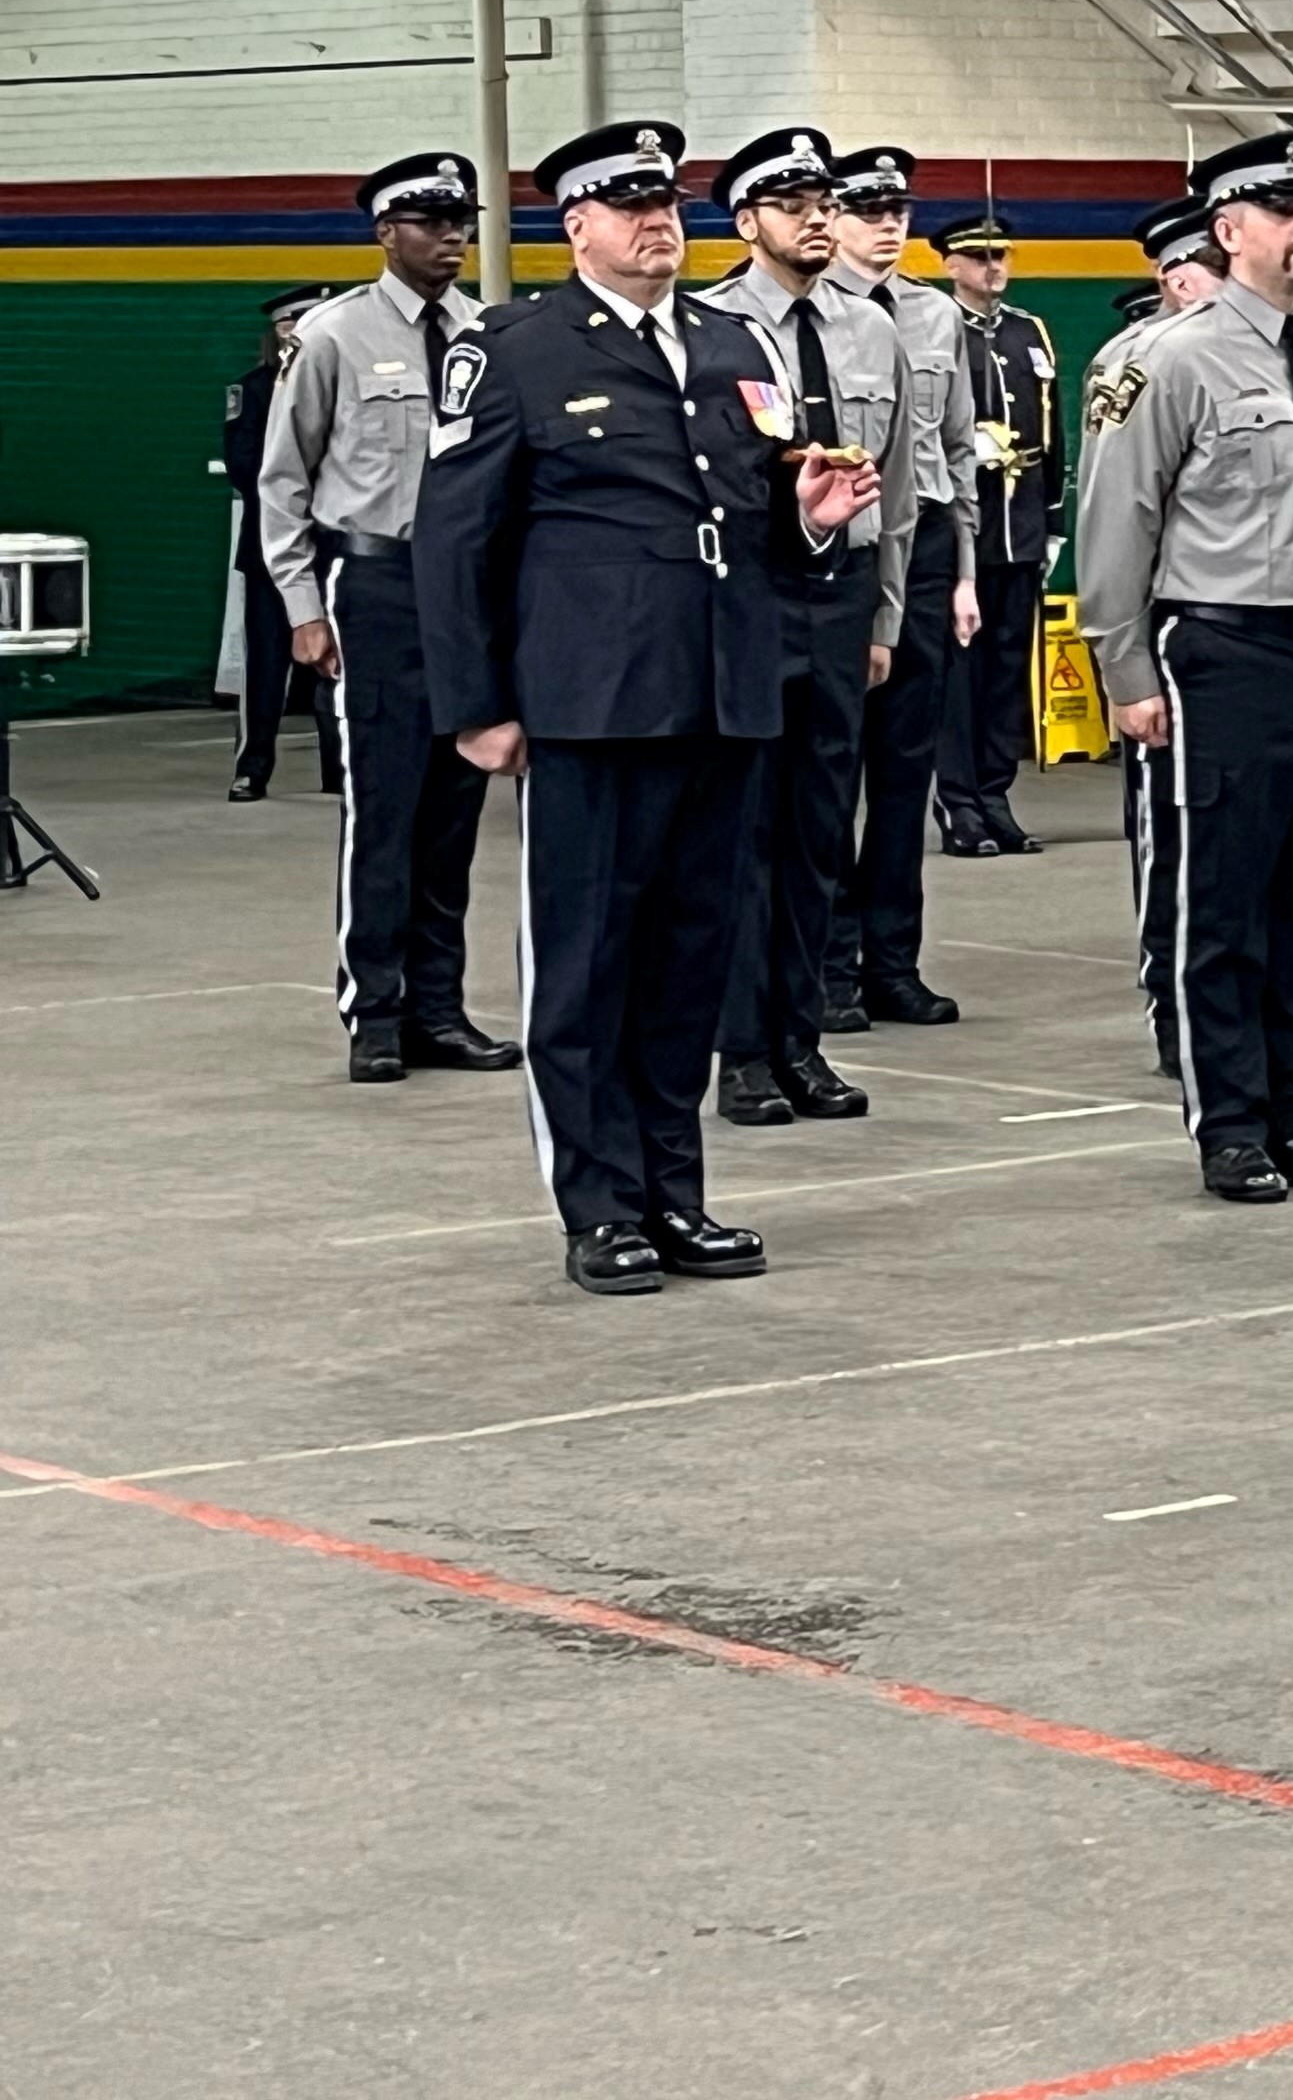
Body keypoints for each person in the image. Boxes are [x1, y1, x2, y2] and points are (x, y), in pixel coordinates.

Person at [416, 119, 877, 1295]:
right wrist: (477, 705)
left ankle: (675, 1193)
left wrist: (814, 521)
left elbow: (762, 526)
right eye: (627, 205)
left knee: (688, 961)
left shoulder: (733, 349)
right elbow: (454, 541)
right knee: (586, 965)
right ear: (577, 228)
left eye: (666, 202)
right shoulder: (514, 351)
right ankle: (598, 1207)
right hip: (592, 707)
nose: (655, 221)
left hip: (724, 697)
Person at [1078, 130, 1293, 1205]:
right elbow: (1116, 523)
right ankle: (1230, 1126)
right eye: (1279, 210)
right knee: (1219, 901)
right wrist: (1125, 671)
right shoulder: (1163, 359)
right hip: (1222, 651)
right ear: (1229, 231)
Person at [252, 154, 513, 1081]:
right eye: (430, 219)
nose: (452, 235)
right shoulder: (334, 337)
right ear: (384, 232)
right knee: (386, 806)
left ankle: (440, 1008)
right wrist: (299, 606)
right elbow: (283, 481)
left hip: (470, 596)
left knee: (455, 809)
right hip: (375, 588)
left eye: (462, 220)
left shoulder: (490, 335)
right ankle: (376, 1008)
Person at [693, 130, 910, 1128]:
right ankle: (741, 1049)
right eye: (791, 203)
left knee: (822, 827)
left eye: (824, 201)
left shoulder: (872, 329)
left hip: (842, 594)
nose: (816, 218)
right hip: (754, 593)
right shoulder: (712, 330)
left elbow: (899, 489)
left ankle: (802, 1040)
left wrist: (884, 614)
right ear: (746, 223)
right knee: (746, 834)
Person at [820, 146, 980, 1030]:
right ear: (833, 219)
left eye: (899, 211)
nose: (889, 225)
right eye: (869, 210)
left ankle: (893, 960)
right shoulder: (818, 315)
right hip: (838, 557)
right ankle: (830, 964)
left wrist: (961, 572)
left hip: (919, 558)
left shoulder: (933, 316)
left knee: (904, 772)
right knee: (831, 770)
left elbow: (956, 454)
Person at [1081, 202, 1227, 1077]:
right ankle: (1177, 1009)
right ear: (1178, 280)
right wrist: (1127, 666)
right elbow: (1115, 527)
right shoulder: (1137, 364)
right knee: (1174, 844)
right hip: (1182, 634)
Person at [933, 205, 1060, 859]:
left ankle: (994, 793)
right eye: (981, 257)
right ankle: (958, 801)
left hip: (1022, 525)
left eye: (1002, 255)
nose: (994, 266)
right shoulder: (937, 329)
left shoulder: (1029, 332)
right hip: (967, 528)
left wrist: (1055, 522)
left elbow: (1052, 431)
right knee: (962, 672)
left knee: (1010, 669)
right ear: (951, 265)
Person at [222, 286, 344, 803]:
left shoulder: (345, 381)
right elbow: (245, 467)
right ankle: (253, 767)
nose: (298, 332)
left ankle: (340, 768)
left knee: (340, 663)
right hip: (272, 546)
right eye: (289, 324)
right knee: (265, 665)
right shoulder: (251, 390)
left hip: (338, 545)